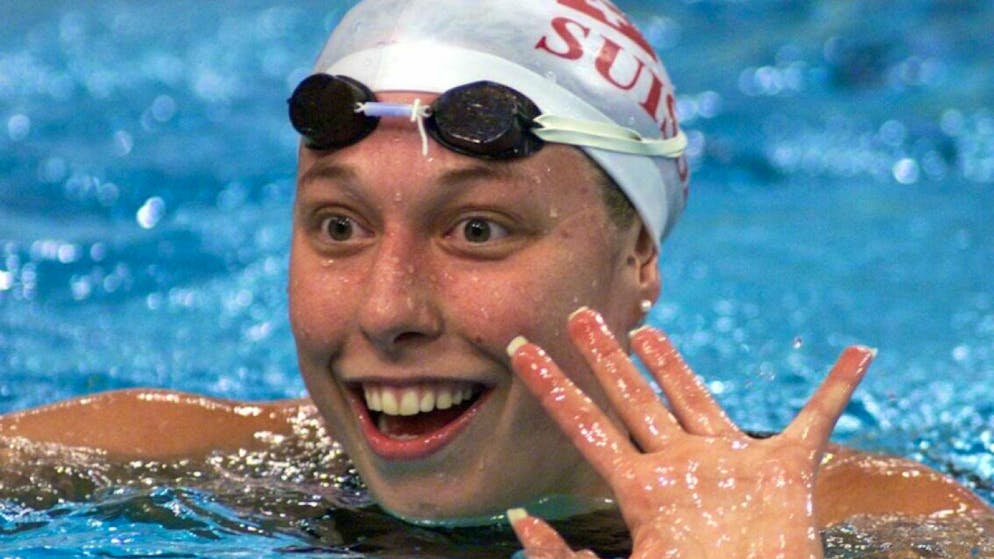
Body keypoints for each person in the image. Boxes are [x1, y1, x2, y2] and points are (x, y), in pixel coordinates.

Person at [1, 0, 990, 557]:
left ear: (637, 260)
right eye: (338, 225)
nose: (385, 310)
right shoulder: (194, 466)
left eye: (477, 229)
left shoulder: (882, 528)